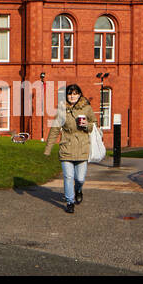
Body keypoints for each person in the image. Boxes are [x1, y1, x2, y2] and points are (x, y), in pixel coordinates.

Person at [44, 83, 97, 214]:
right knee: (68, 176)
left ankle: (78, 190)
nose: (72, 96)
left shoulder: (87, 108)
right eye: (70, 94)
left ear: (79, 95)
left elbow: (94, 125)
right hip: (66, 147)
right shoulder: (62, 109)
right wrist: (48, 148)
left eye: (75, 93)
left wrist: (87, 125)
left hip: (82, 146)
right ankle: (70, 202)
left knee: (80, 178)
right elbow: (55, 129)